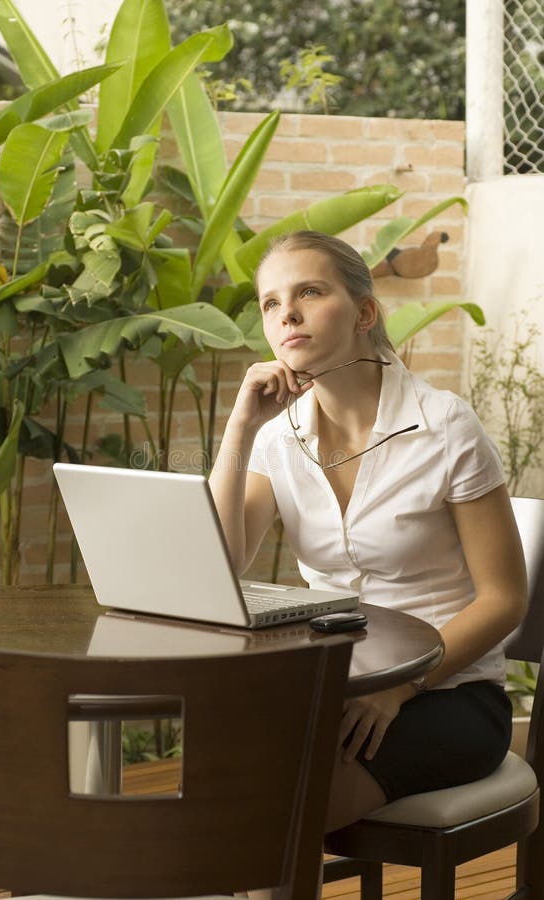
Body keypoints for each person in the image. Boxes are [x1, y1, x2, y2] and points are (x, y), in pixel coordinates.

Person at [209, 230, 527, 898]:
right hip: (335, 687)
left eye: (309, 292)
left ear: (363, 313)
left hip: (449, 694)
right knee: (226, 791)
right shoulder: (276, 438)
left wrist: (398, 690)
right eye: (270, 303)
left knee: (269, 814)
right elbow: (220, 563)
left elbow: (504, 598)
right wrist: (239, 428)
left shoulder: (446, 427)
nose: (286, 314)